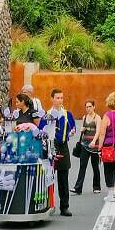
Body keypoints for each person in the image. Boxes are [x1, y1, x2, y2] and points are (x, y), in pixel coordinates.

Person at [90, 91, 115, 203]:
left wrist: (100, 147)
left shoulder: (108, 115)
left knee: (109, 169)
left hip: (110, 145)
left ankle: (111, 194)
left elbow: (102, 133)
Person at [41, 89, 75, 217]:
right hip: (50, 146)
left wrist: (72, 132)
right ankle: (48, 204)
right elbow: (41, 131)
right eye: (57, 98)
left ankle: (64, 206)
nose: (60, 100)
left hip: (63, 145)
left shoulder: (67, 114)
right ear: (52, 99)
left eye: (61, 98)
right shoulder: (47, 115)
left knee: (63, 177)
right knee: (48, 177)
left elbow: (73, 127)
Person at [72, 100, 101, 195]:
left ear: (94, 107)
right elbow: (83, 130)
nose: (88, 109)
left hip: (94, 145)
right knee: (82, 166)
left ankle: (96, 187)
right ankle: (78, 188)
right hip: (84, 144)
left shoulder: (97, 118)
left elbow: (98, 131)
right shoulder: (84, 117)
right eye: (87, 107)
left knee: (95, 166)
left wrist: (94, 141)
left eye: (90, 106)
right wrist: (82, 130)